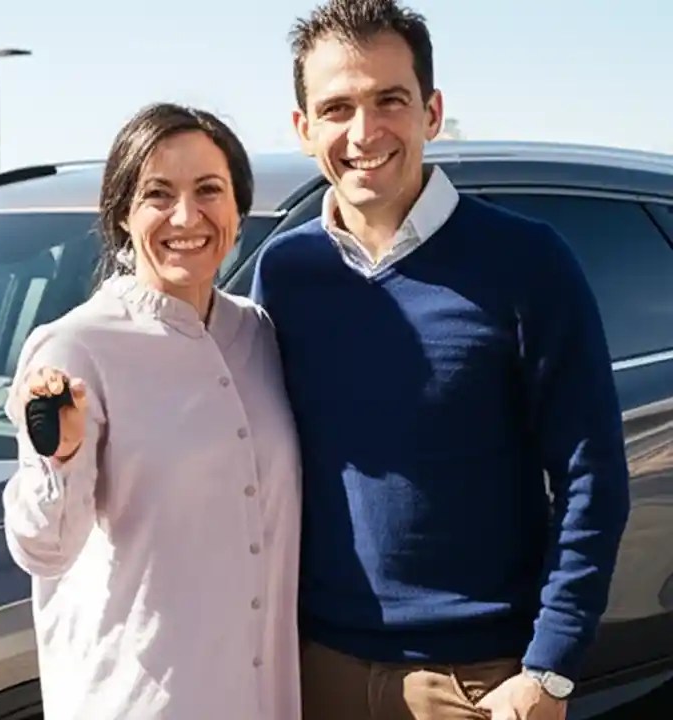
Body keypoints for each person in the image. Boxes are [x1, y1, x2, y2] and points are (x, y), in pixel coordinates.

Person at [250, 1, 631, 719]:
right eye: (336, 108)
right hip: (314, 671)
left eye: (389, 100)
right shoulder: (286, 272)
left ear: (431, 111)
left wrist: (549, 669)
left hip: (476, 682)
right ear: (303, 129)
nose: (364, 132)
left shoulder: (527, 261)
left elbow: (592, 476)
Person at [1, 102, 302, 719]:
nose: (186, 217)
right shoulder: (76, 347)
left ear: (238, 210)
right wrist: (60, 459)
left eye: (209, 190)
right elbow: (43, 550)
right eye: (158, 194)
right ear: (123, 214)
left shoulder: (258, 333)